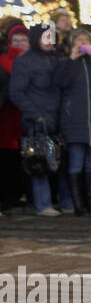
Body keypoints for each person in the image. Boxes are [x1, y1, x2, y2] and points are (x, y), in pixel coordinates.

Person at [55, 28, 91, 216]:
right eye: (79, 40)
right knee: (76, 163)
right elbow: (61, 82)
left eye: (86, 40)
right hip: (75, 121)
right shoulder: (65, 62)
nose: (82, 42)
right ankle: (78, 203)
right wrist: (72, 59)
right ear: (72, 43)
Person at [10, 24, 63, 214]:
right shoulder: (24, 61)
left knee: (59, 160)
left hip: (58, 116)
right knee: (39, 161)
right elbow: (16, 91)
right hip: (38, 119)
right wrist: (35, 114)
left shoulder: (58, 58)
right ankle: (44, 203)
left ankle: (64, 201)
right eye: (45, 37)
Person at [0, 23, 28, 212]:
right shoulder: (2, 60)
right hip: (7, 116)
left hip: (26, 115)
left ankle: (22, 193)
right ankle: (8, 195)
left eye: (23, 40)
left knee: (27, 156)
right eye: (15, 40)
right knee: (7, 157)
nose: (18, 44)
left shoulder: (33, 60)